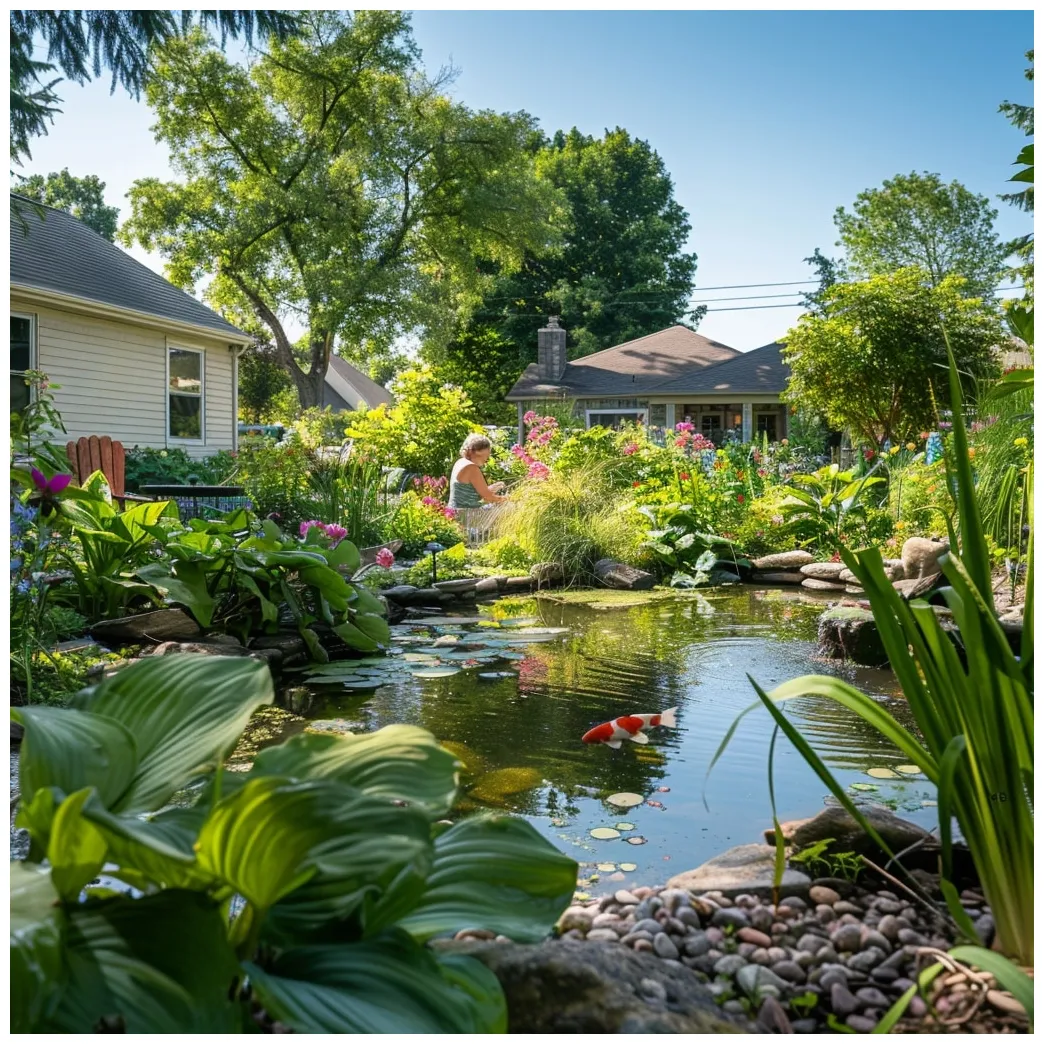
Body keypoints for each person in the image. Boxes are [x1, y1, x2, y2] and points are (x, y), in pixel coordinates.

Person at [448, 433, 507, 509]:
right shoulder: (472, 468)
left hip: (455, 511)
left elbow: (470, 492)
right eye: (488, 449)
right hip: (468, 514)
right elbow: (488, 498)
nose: (489, 454)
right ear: (478, 451)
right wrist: (507, 499)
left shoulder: (460, 462)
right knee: (509, 508)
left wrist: (493, 488)